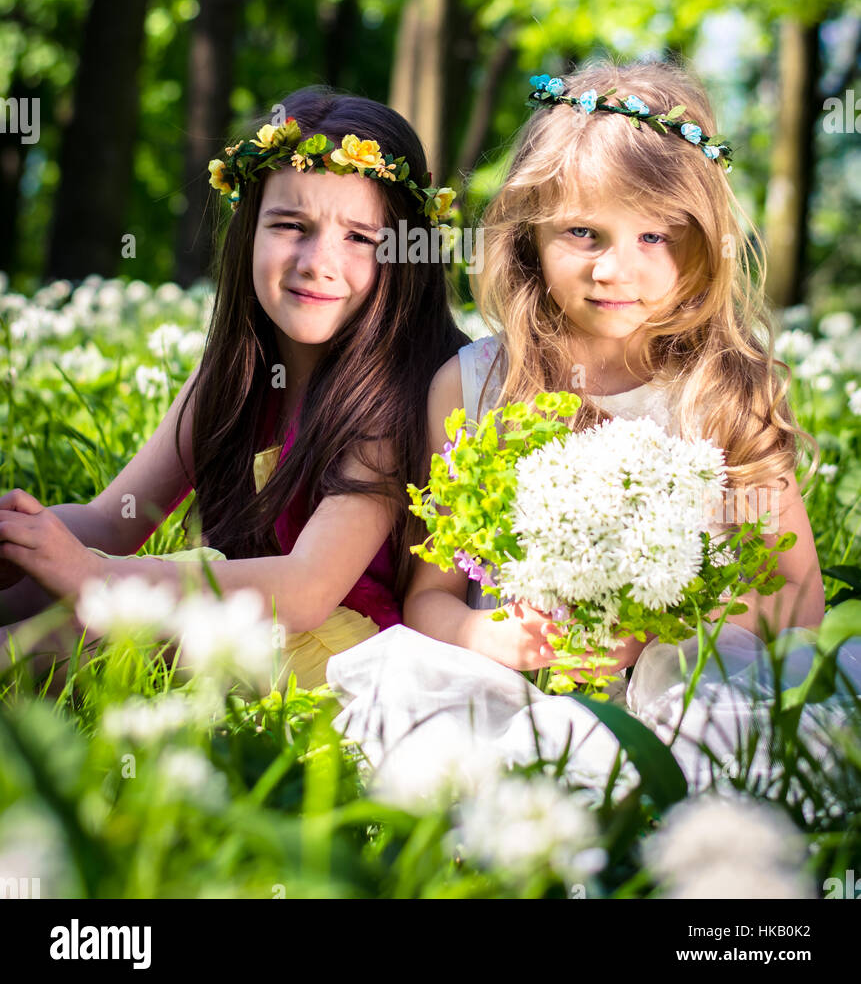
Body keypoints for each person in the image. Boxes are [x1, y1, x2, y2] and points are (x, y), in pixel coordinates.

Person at [328, 58, 861, 802]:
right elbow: (430, 596)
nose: (617, 270)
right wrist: (488, 637)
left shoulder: (722, 391)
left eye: (655, 237)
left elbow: (796, 594)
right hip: (520, 684)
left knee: (748, 744)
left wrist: (664, 627)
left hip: (692, 689)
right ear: (527, 240)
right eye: (583, 233)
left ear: (702, 245)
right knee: (475, 754)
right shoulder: (474, 385)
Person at [0, 86, 468, 689]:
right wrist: (29, 538)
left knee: (84, 625)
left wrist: (98, 578)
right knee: (31, 590)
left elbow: (305, 589)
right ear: (249, 229)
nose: (316, 261)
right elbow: (109, 522)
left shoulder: (394, 393)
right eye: (290, 225)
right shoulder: (232, 373)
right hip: (251, 616)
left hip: (348, 656)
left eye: (359, 238)